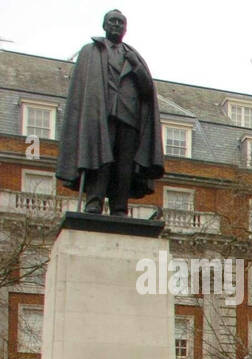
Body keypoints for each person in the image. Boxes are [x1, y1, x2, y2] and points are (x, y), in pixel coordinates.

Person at [56, 9, 164, 216]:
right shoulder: (90, 51)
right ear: (104, 25)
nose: (116, 25)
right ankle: (94, 203)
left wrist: (135, 64)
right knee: (99, 159)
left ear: (125, 28)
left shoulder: (134, 56)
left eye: (120, 22)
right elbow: (80, 91)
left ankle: (119, 207)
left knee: (124, 165)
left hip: (129, 117)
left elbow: (147, 90)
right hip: (99, 115)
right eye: (112, 21)